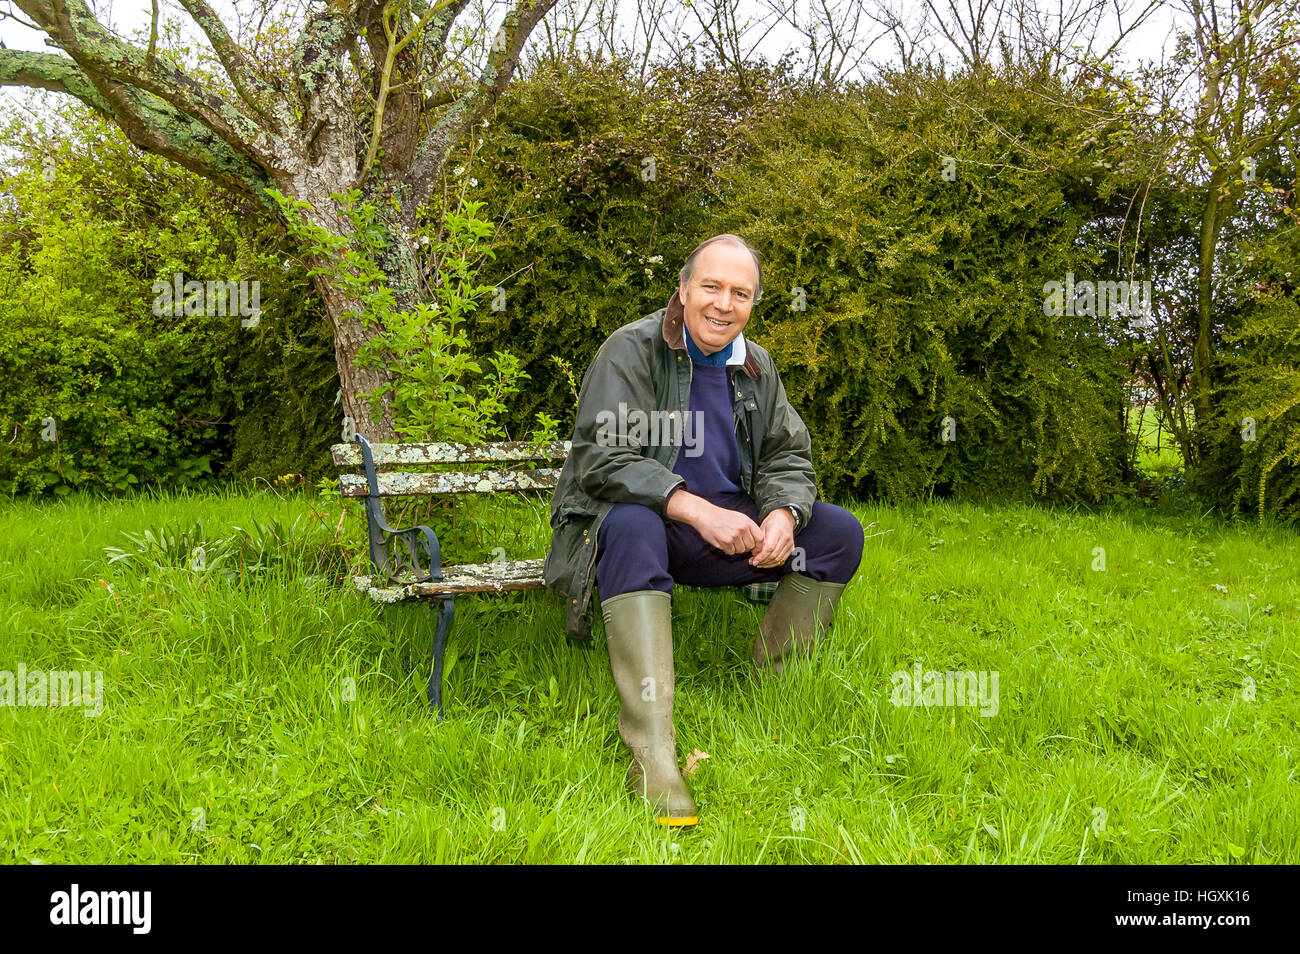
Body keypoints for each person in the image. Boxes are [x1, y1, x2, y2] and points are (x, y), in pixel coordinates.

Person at [543, 233, 865, 826]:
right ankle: (651, 750)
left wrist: (782, 514)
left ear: (753, 303)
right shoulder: (632, 351)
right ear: (684, 290)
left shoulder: (756, 366)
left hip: (727, 534)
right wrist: (690, 506)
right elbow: (601, 460)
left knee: (839, 532)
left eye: (739, 293)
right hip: (638, 530)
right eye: (711, 287)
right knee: (639, 524)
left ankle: (774, 685)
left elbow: (788, 458)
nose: (723, 303)